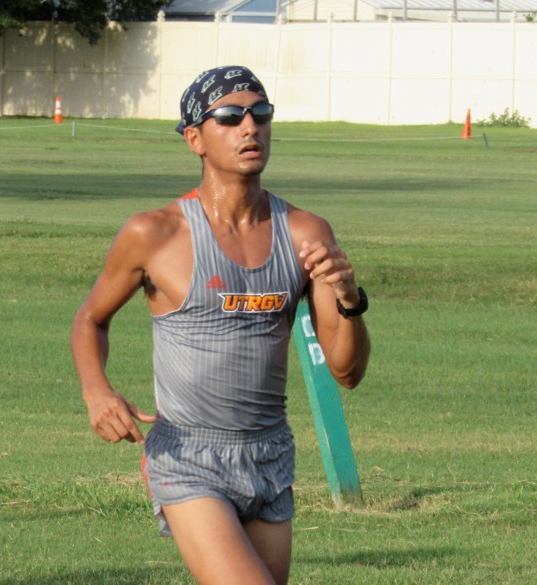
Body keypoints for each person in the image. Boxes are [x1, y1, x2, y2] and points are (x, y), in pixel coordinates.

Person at [71, 65, 370, 585]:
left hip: (270, 454)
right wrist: (97, 391)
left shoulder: (305, 233)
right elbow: (91, 318)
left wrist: (348, 299)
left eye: (262, 114)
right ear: (195, 138)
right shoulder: (154, 233)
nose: (250, 128)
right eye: (230, 117)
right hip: (187, 455)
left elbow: (347, 372)